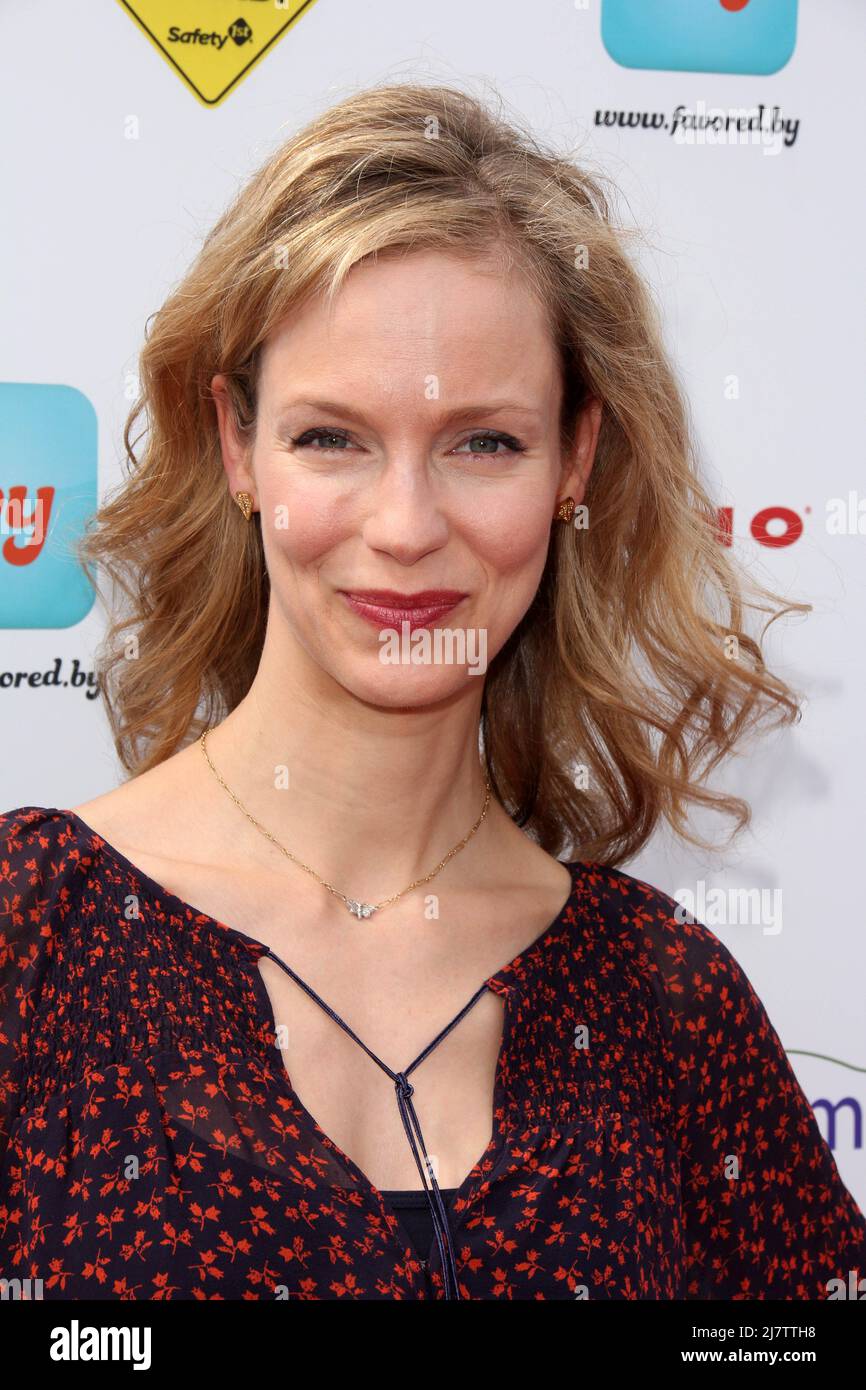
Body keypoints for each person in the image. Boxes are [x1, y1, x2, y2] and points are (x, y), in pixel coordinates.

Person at [2, 81, 863, 1301]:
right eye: (331, 439)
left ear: (575, 455)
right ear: (237, 446)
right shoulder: (31, 934)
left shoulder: (661, 1001)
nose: (404, 529)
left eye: (482, 443)